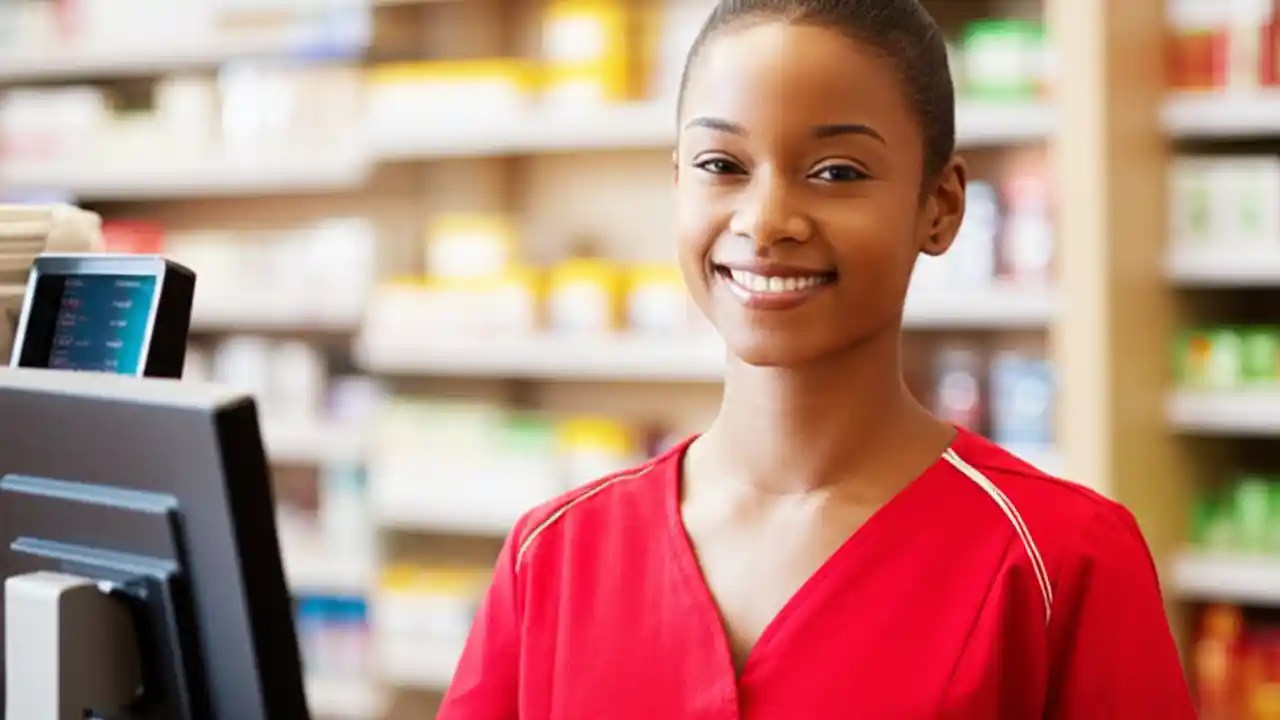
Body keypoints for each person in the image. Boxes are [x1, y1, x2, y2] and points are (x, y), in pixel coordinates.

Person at [439, 1, 1196, 717]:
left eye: (836, 172)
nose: (765, 221)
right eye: (721, 164)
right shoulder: (554, 558)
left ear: (940, 207)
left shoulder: (1061, 563)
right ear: (676, 183)